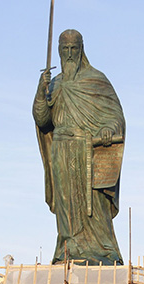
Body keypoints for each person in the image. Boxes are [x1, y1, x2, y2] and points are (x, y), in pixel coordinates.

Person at [33, 29, 125, 265]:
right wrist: (41, 93)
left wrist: (108, 128)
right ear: (58, 50)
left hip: (89, 150)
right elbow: (43, 120)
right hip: (62, 150)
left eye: (74, 48)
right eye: (65, 49)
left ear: (81, 49)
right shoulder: (53, 84)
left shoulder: (96, 80)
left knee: (94, 204)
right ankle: (68, 248)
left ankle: (103, 251)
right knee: (66, 203)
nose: (69, 53)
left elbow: (115, 115)